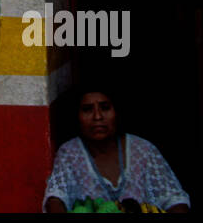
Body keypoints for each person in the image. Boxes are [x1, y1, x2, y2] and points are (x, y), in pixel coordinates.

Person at [43, 84, 191, 212]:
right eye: (87, 109)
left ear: (117, 112)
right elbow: (55, 199)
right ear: (76, 115)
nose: (98, 117)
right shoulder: (69, 153)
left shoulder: (144, 150)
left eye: (105, 108)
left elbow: (175, 200)